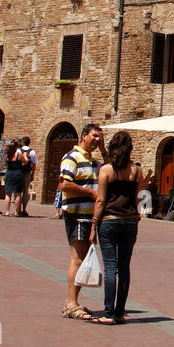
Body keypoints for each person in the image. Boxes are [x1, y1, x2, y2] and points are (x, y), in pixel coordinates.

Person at [90, 132, 151, 324]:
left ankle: (108, 313)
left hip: (109, 220)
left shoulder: (106, 170)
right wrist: (136, 217)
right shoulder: (136, 171)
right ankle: (119, 312)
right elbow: (138, 198)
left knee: (110, 267)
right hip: (130, 221)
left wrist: (93, 224)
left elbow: (100, 200)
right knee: (124, 267)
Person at [58, 122, 103, 321]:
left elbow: (110, 170)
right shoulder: (71, 158)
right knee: (77, 258)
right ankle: (70, 303)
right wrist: (90, 193)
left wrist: (104, 150)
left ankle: (73, 301)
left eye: (99, 137)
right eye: (94, 136)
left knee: (83, 259)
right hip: (76, 215)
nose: (97, 140)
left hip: (87, 217)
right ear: (83, 135)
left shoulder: (93, 161)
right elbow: (64, 184)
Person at [3, 140, 27, 216]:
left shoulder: (7, 154)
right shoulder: (19, 153)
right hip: (17, 173)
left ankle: (7, 211)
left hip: (9, 173)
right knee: (17, 194)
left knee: (8, 193)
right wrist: (25, 155)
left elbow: (4, 162)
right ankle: (16, 212)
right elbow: (25, 161)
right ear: (16, 146)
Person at [19, 137, 37, 214]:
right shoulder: (32, 152)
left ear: (22, 142)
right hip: (27, 172)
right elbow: (34, 164)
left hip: (19, 172)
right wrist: (33, 174)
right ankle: (24, 209)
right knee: (26, 191)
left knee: (18, 191)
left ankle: (17, 209)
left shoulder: (18, 150)